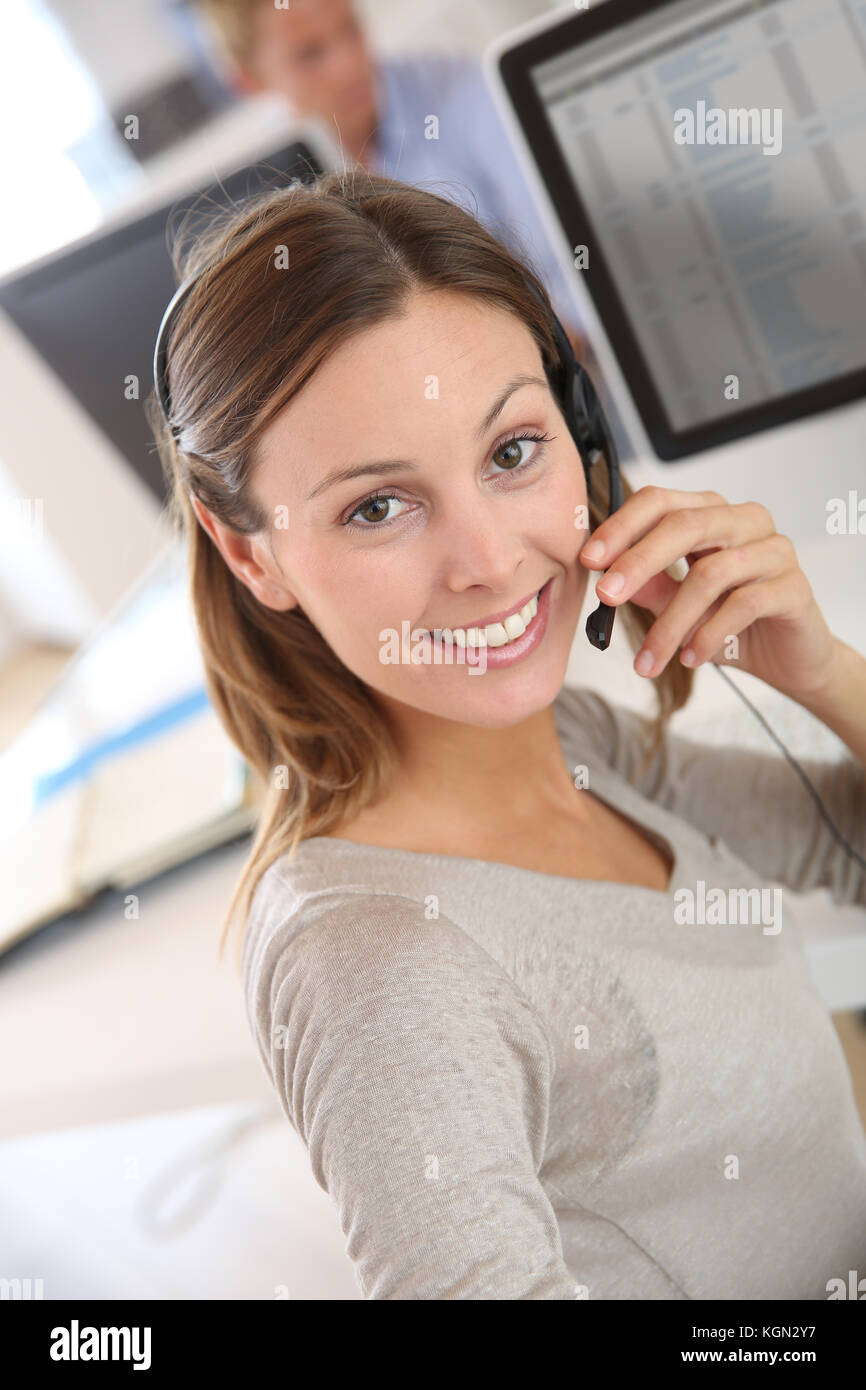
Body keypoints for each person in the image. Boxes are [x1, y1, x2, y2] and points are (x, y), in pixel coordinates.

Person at [149, 169, 866, 1299]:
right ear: (252, 554)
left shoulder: (566, 742)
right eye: (376, 505)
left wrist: (819, 674)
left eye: (511, 451)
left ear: (578, 430)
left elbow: (851, 850)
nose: (487, 560)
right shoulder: (378, 964)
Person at [193, 0, 588, 356]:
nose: (350, 63)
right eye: (310, 54)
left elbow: (574, 286)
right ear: (249, 81)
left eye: (350, 28)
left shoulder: (466, 93)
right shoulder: (263, 192)